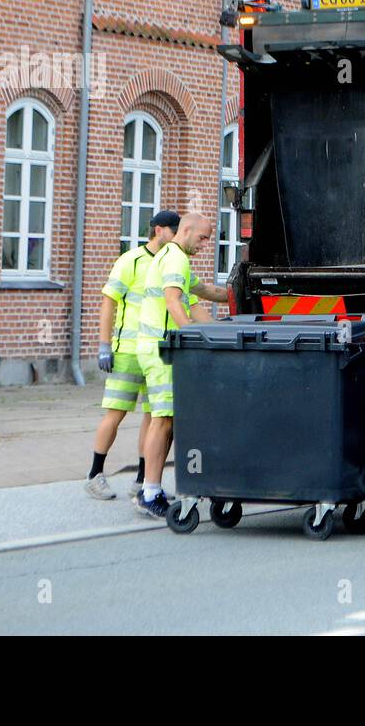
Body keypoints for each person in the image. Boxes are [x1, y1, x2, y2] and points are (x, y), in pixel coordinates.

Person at [133, 212, 227, 516]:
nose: (204, 245)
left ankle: (150, 487)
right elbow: (174, 301)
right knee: (163, 421)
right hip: (162, 350)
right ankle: (149, 493)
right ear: (186, 230)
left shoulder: (170, 257)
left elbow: (201, 296)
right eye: (202, 238)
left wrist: (222, 330)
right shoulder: (175, 259)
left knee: (166, 419)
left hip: (156, 349)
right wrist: (190, 338)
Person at [83, 211, 181, 500]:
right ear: (159, 230)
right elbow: (108, 302)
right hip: (127, 350)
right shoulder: (130, 260)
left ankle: (142, 479)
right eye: (173, 231)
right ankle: (94, 475)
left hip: (153, 350)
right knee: (116, 412)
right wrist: (104, 345)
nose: (176, 237)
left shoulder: (168, 262)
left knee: (154, 416)